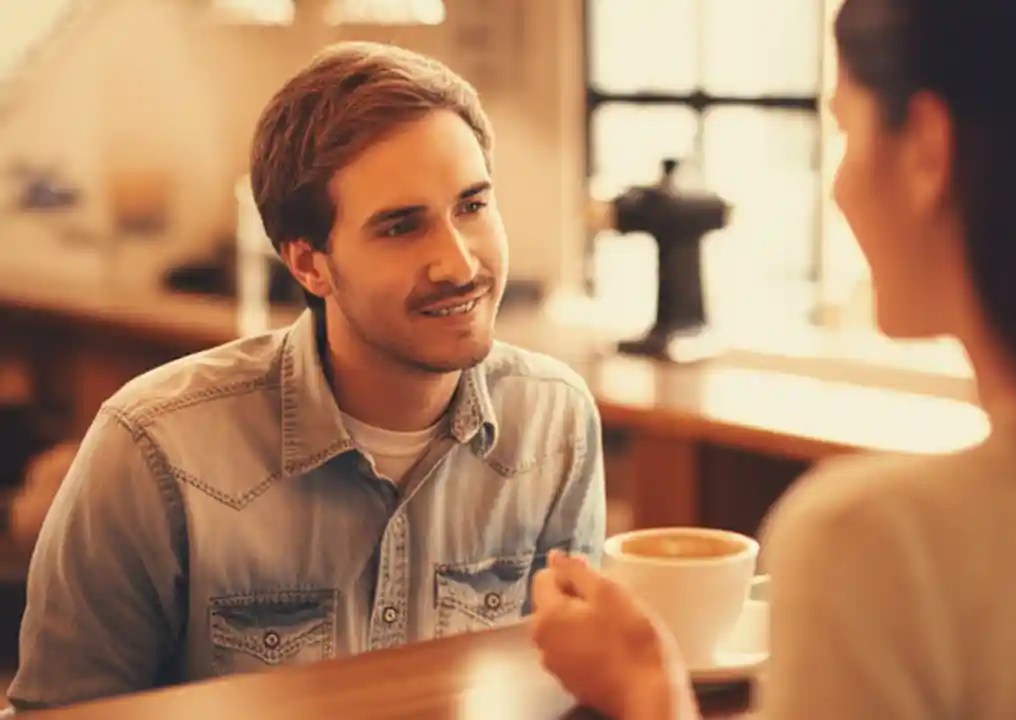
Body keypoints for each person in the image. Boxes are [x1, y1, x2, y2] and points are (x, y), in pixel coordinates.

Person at [530, 1, 1016, 718]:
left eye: (848, 133)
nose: (841, 189)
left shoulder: (876, 543)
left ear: (927, 149)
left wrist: (645, 688)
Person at [7, 42, 605, 710]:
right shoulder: (153, 447)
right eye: (401, 228)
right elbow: (62, 713)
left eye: (472, 206)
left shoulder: (555, 421)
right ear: (309, 265)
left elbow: (570, 693)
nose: (458, 263)